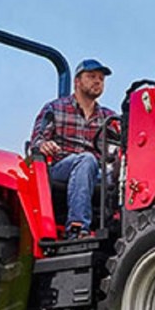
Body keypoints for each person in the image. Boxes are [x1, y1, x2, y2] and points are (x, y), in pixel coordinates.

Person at [30, 58, 118, 239]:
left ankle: (120, 227)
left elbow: (123, 143)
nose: (97, 81)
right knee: (86, 159)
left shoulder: (109, 117)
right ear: (77, 81)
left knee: (124, 177)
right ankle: (77, 228)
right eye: (91, 76)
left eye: (101, 79)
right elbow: (37, 141)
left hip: (96, 171)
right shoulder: (55, 108)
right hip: (61, 167)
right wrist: (44, 145)